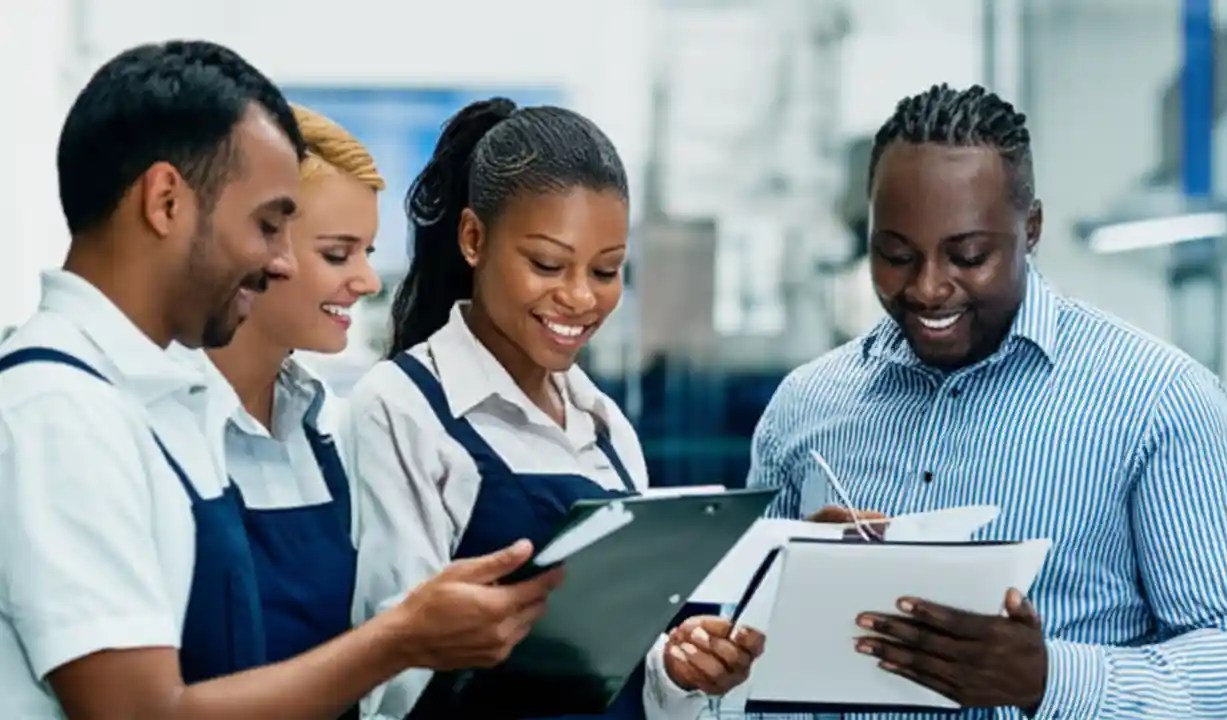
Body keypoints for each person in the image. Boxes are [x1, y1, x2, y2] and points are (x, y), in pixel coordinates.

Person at [0, 41, 560, 720]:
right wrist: (400, 639)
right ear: (166, 202)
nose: (275, 260)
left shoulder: (159, 398)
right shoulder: (57, 409)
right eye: (267, 225)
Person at [747, 83, 1227, 720]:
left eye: (968, 256)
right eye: (894, 255)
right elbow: (745, 657)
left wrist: (1050, 678)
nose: (927, 288)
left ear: (1031, 230)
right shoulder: (805, 407)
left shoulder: (1161, 403)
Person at [347, 98, 765, 719]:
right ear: (472, 238)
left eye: (606, 271)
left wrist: (674, 668)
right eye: (547, 264)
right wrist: (513, 646)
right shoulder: (399, 409)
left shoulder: (607, 429)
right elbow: (385, 684)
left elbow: (623, 680)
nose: (578, 297)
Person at [199, 104, 381, 683]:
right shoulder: (157, 422)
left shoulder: (331, 430)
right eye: (337, 254)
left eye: (367, 253)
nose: (368, 281)